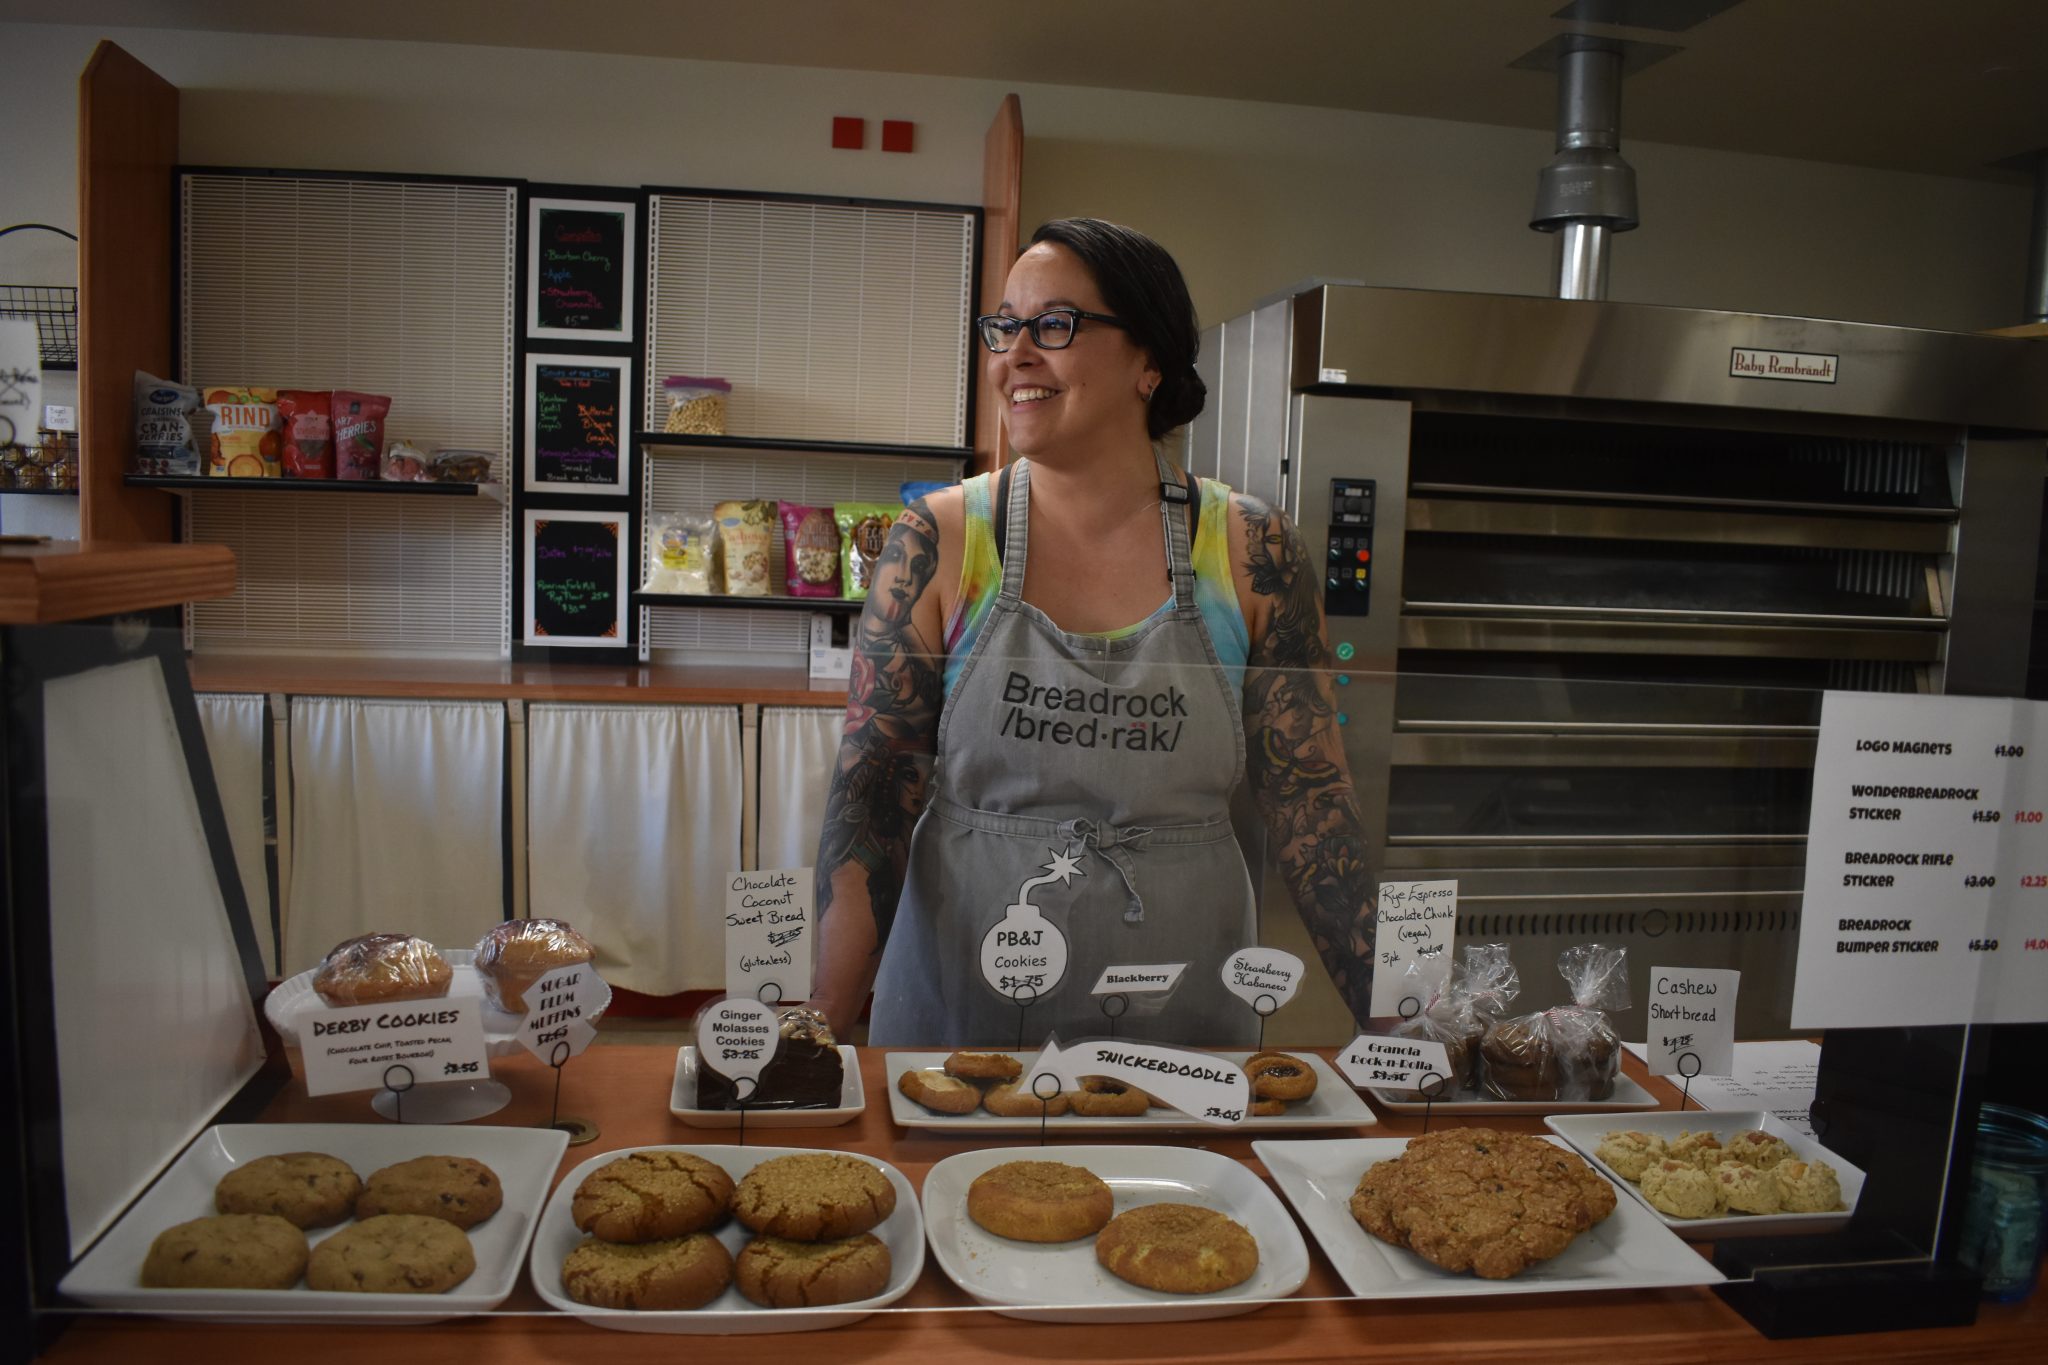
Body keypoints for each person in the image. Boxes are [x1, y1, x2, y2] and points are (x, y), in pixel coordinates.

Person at [810, 217, 1376, 1046]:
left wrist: (1403, 1020)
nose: (1016, 355)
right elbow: (872, 796)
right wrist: (818, 1029)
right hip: (964, 1024)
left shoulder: (1254, 551)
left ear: (1149, 361)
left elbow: (1313, 804)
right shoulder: (940, 541)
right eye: (1005, 326)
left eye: (1055, 324)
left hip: (1184, 1027)